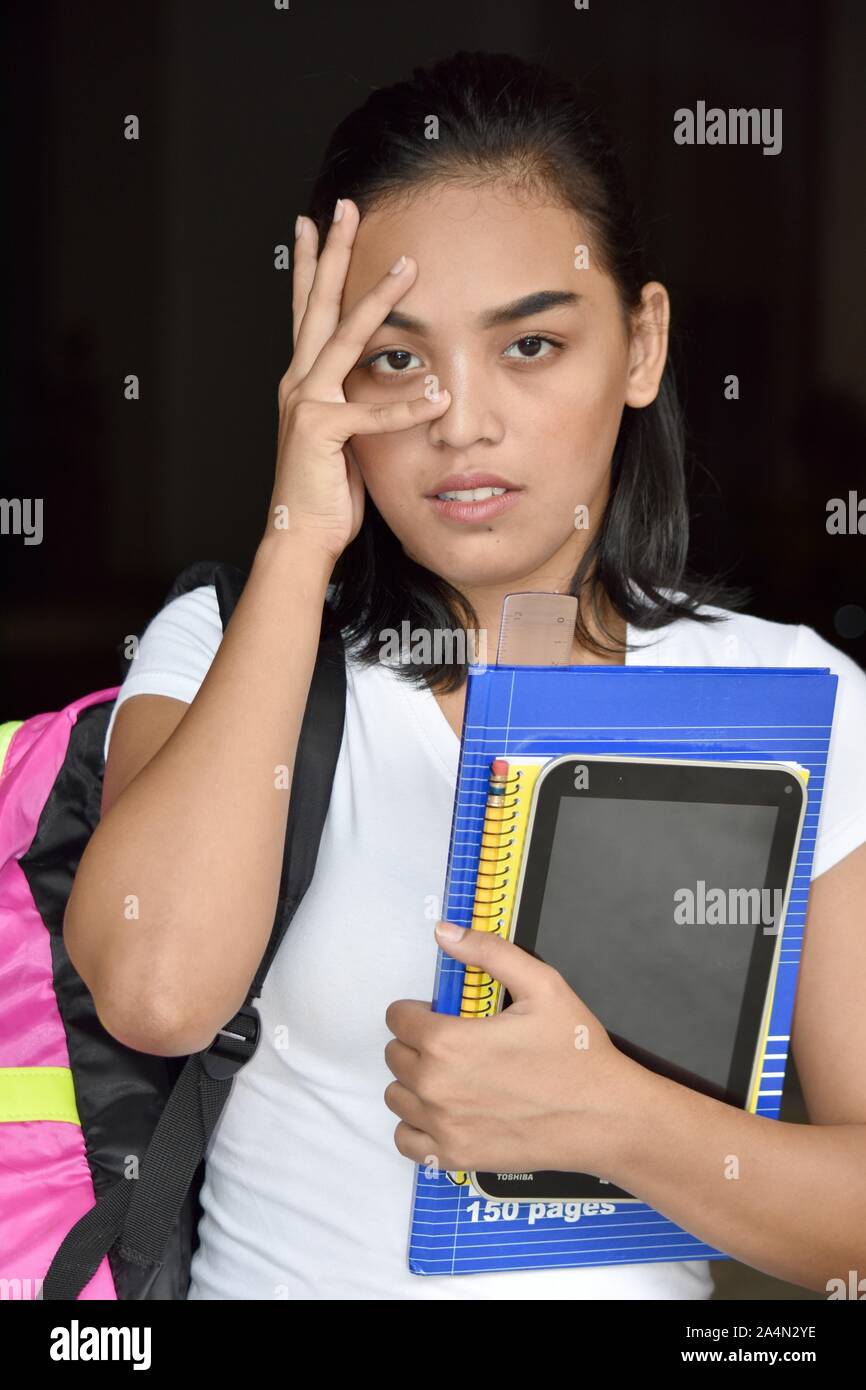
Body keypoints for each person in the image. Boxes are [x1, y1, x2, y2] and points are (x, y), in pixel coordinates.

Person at [64, 50, 866, 1299]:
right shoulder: (228, 646)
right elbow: (154, 992)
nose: (459, 421)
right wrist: (297, 537)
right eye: (393, 358)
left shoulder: (785, 698)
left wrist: (616, 1121)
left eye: (530, 344)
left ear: (642, 345)